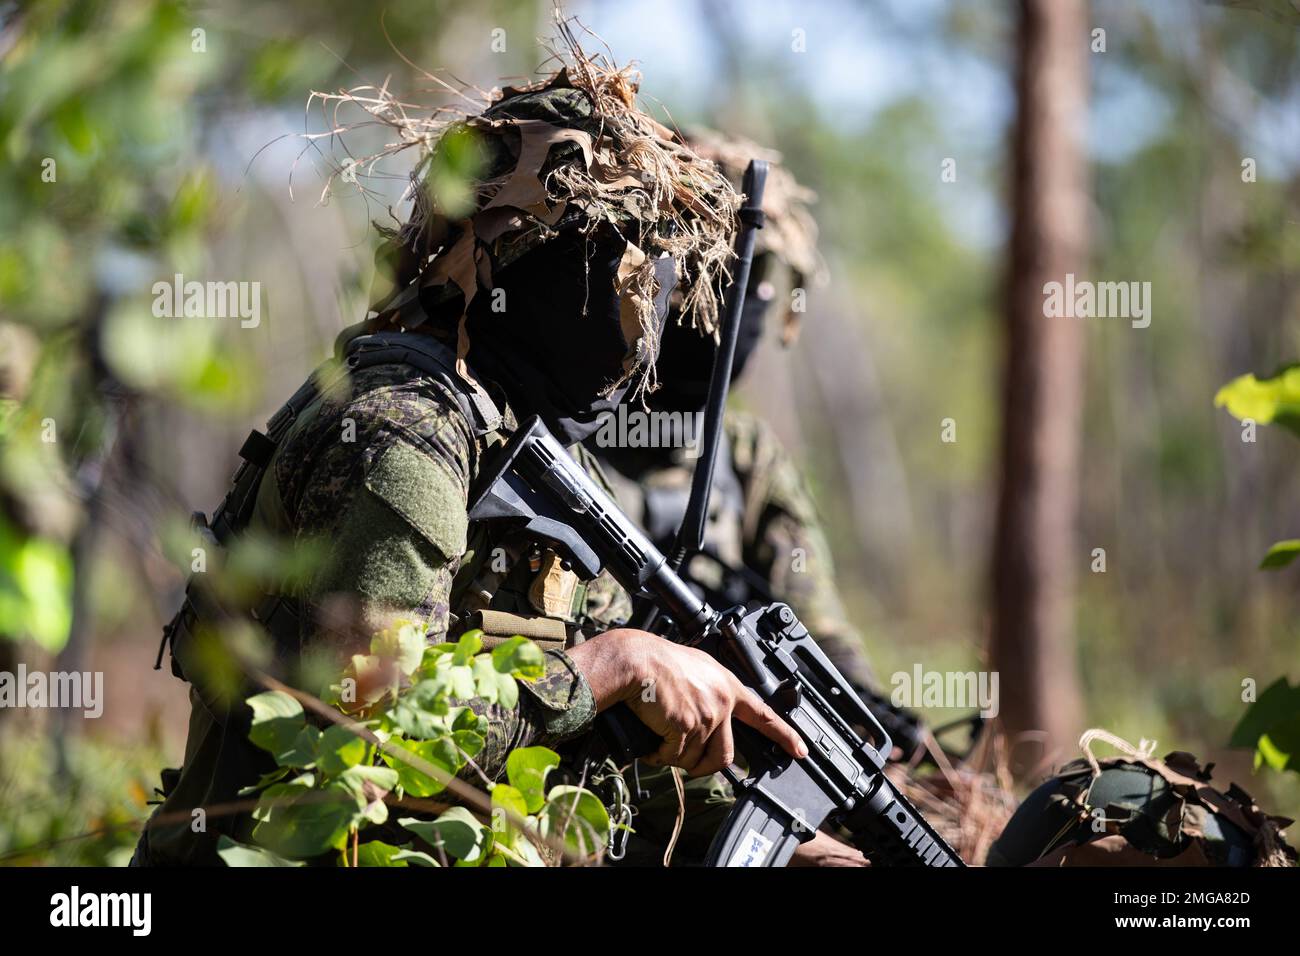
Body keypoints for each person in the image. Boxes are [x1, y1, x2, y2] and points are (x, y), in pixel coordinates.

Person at [133, 58, 812, 866]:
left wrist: (784, 842)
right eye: (628, 271)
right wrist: (614, 666)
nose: (647, 312)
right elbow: (379, 733)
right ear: (535, 260)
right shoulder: (404, 435)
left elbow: (601, 736)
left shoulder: (528, 451)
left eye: (655, 280)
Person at [585, 131, 880, 866]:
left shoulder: (746, 456)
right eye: (695, 286)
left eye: (754, 294)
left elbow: (818, 632)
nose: (717, 320)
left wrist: (874, 729)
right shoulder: (562, 426)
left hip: (713, 770)